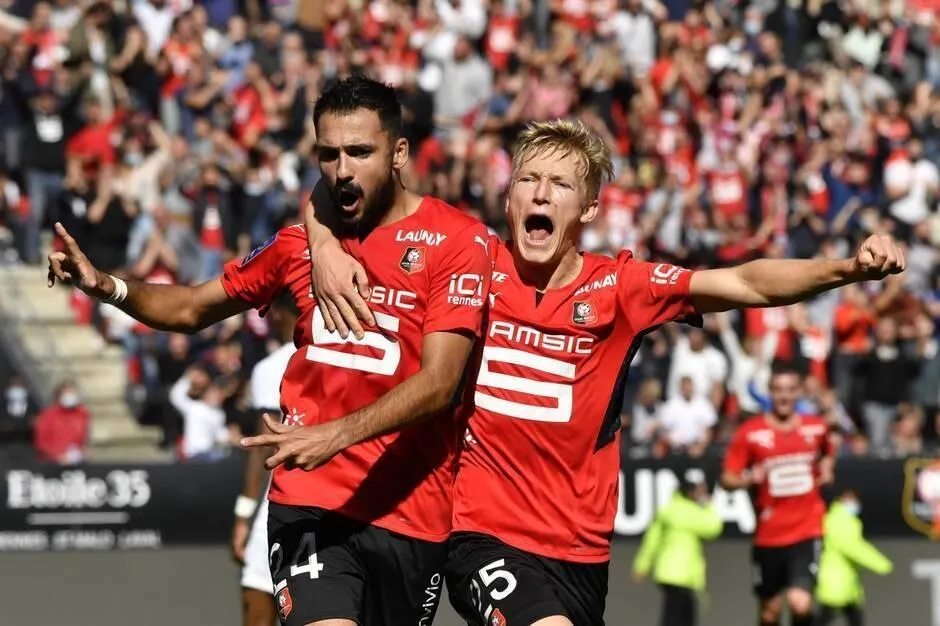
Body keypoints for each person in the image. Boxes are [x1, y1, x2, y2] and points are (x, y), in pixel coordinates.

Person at [306, 118, 905, 626]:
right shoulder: (471, 263)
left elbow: (746, 282)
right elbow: (350, 183)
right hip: (479, 535)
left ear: (589, 208)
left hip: (580, 552)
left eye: (561, 184)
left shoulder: (621, 287)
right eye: (528, 180)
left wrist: (847, 268)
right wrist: (324, 244)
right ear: (508, 198)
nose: (541, 195)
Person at [46, 75, 491, 626]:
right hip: (309, 502)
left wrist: (336, 434)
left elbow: (440, 383)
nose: (342, 170)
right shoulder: (296, 245)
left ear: (398, 153)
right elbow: (191, 307)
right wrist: (107, 286)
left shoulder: (458, 242)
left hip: (410, 510)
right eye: (328, 154)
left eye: (360, 152)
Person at [721, 363, 836, 626]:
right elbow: (727, 478)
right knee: (770, 611)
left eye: (791, 389)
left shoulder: (816, 427)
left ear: (799, 392)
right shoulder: (750, 433)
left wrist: (828, 467)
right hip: (769, 535)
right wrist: (748, 479)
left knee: (800, 602)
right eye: (778, 390)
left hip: (807, 530)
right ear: (770, 392)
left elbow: (828, 452)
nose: (784, 396)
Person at [231, 296, 299, 626]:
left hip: (283, 503)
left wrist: (243, 517)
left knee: (257, 595)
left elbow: (262, 449)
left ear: (281, 313)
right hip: (343, 501)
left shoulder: (272, 367)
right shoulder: (347, 355)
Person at [632, 473, 723, 626]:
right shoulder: (692, 512)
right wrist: (708, 505)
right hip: (683, 576)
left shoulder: (667, 510)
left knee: (674, 616)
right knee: (680, 619)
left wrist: (641, 566)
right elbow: (714, 528)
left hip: (667, 574)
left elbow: (651, 541)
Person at [816, 489, 893, 626]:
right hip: (836, 580)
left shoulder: (843, 519)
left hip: (847, 582)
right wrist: (881, 564)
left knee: (853, 617)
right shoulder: (840, 520)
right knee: (826, 616)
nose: (855, 504)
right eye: (851, 500)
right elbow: (852, 547)